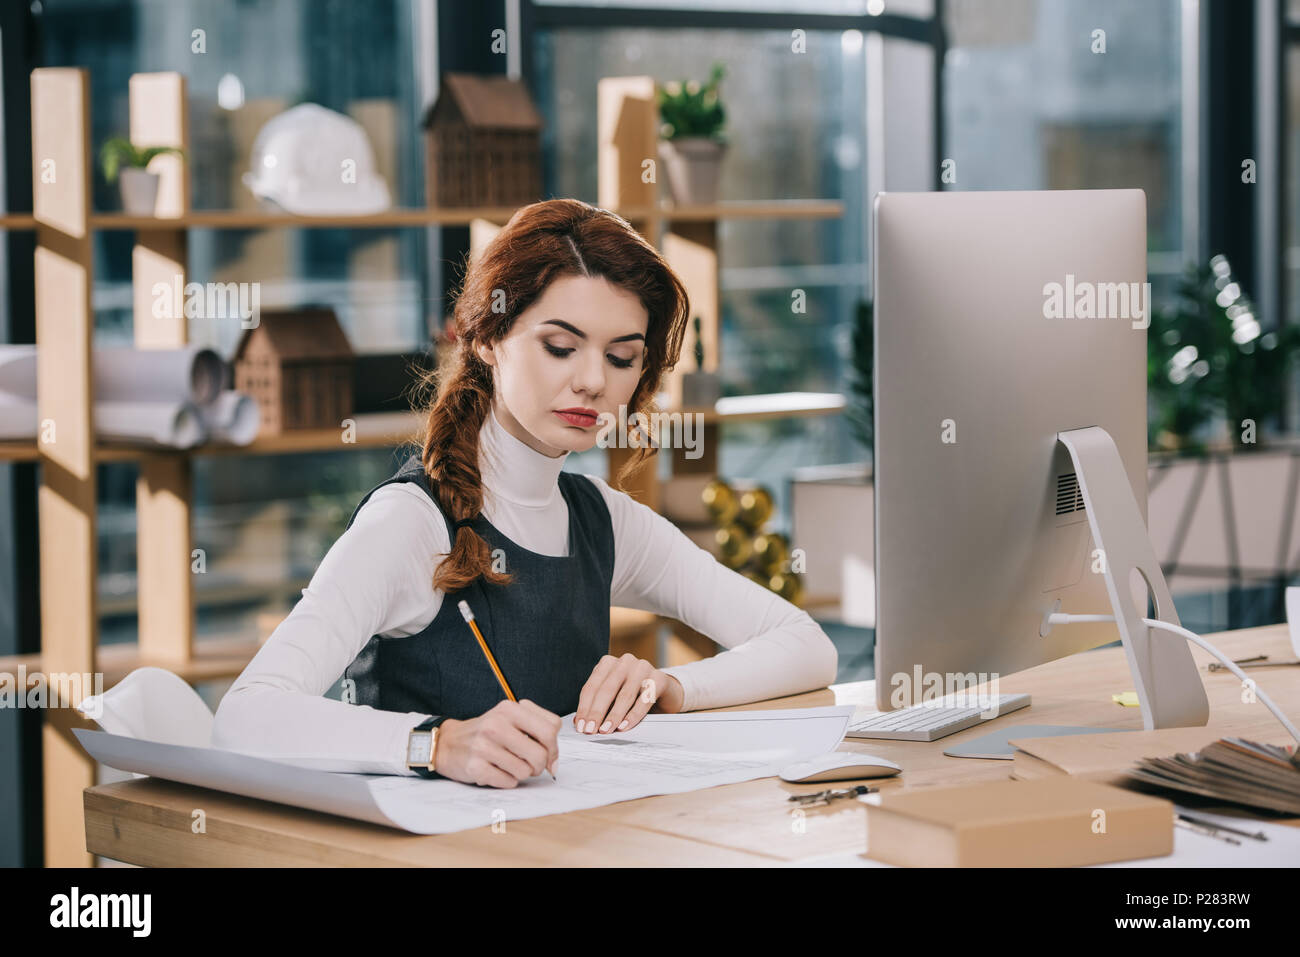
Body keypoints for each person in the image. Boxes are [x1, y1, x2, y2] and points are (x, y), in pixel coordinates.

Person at [212, 198, 837, 789]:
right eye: (560, 347)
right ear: (486, 340)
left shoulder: (603, 519)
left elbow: (806, 646)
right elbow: (243, 718)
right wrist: (435, 745)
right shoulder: (411, 524)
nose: (593, 381)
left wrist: (669, 686)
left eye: (622, 358)